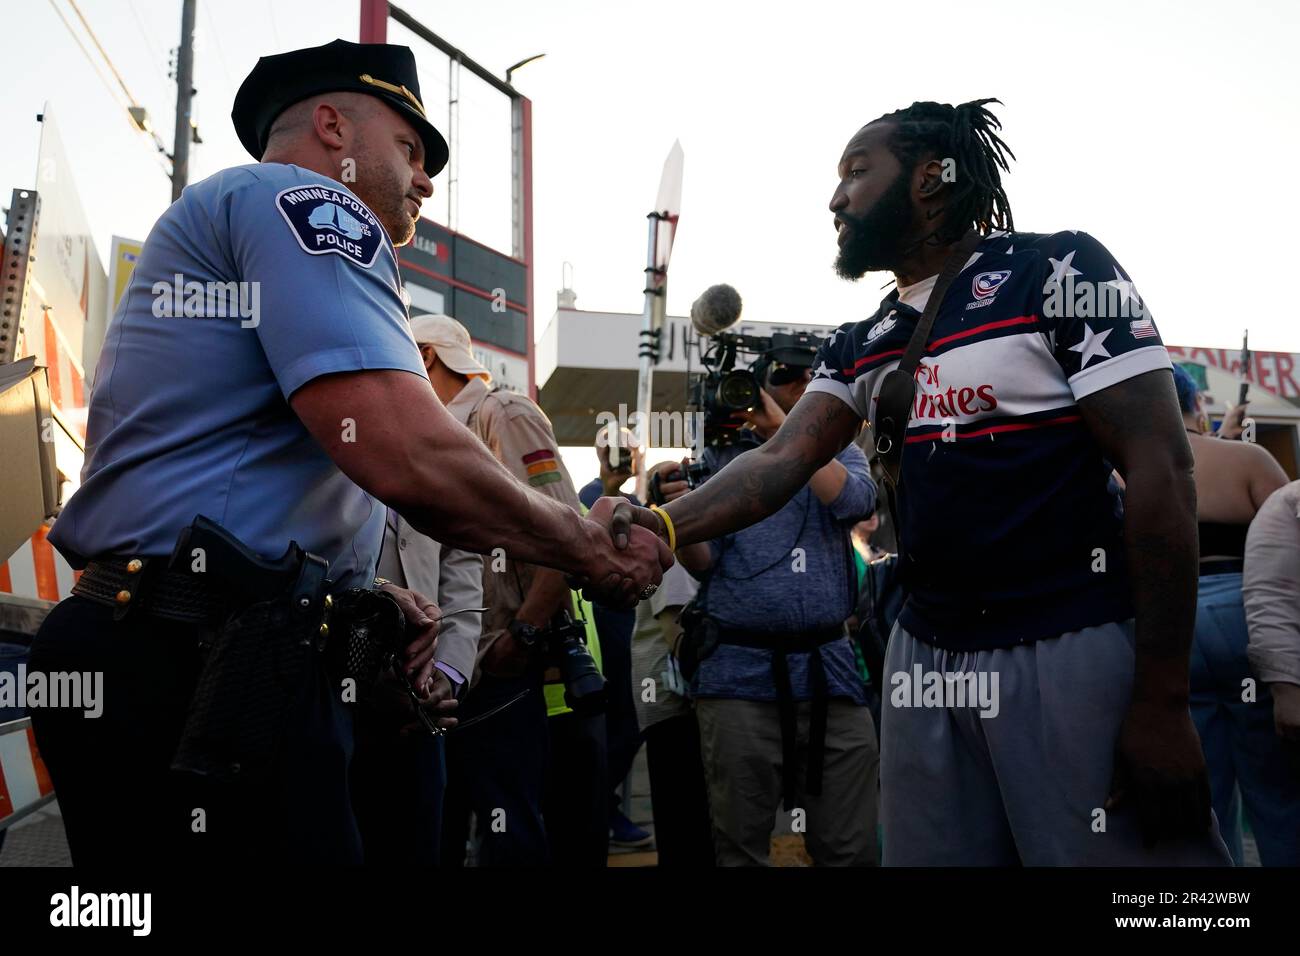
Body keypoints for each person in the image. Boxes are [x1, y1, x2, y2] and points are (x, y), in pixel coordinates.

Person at [27, 40, 668, 867]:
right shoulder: (304, 200)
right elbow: (402, 450)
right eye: (409, 148)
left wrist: (357, 598)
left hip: (193, 648)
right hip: (196, 665)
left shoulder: (239, 219)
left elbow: (258, 480)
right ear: (333, 127)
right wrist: (583, 542)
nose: (426, 180)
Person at [630, 98, 1231, 865]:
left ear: (932, 179)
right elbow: (779, 462)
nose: (836, 199)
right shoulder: (863, 337)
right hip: (923, 656)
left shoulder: (1060, 269)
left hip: (1066, 639)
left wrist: (1162, 699)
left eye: (856, 172)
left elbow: (1161, 468)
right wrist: (665, 525)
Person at [671, 351, 880, 867]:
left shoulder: (841, 449)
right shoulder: (719, 458)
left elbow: (856, 503)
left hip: (829, 674)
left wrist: (789, 439)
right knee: (740, 847)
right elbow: (703, 565)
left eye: (812, 374)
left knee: (851, 849)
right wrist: (678, 519)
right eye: (785, 377)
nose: (803, 382)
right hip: (738, 676)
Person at [413, 314, 607, 866]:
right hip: (462, 668)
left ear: (427, 358)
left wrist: (521, 635)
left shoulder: (502, 411)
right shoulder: (445, 428)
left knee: (511, 830)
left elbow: (569, 530)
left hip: (507, 668)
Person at [1174, 366, 1294, 865]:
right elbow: (1291, 533)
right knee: (1279, 790)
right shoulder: (1248, 459)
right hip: (1247, 615)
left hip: (1173, 628)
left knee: (1205, 793)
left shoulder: (1131, 470)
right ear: (1198, 405)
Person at [348, 500, 484, 865]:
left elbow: (462, 554)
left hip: (422, 708)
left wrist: (449, 671)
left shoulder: (447, 444)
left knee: (417, 843)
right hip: (331, 697)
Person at [634, 464, 714, 866]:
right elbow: (676, 630)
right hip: (677, 704)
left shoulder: (658, 535)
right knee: (689, 824)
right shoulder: (672, 538)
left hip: (664, 704)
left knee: (679, 821)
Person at [578, 429, 653, 848]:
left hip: (628, 621)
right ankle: (599, 809)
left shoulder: (637, 502)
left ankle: (601, 806)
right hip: (603, 622)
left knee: (632, 720)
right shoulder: (590, 495)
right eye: (616, 450)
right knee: (619, 721)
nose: (625, 457)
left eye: (630, 450)